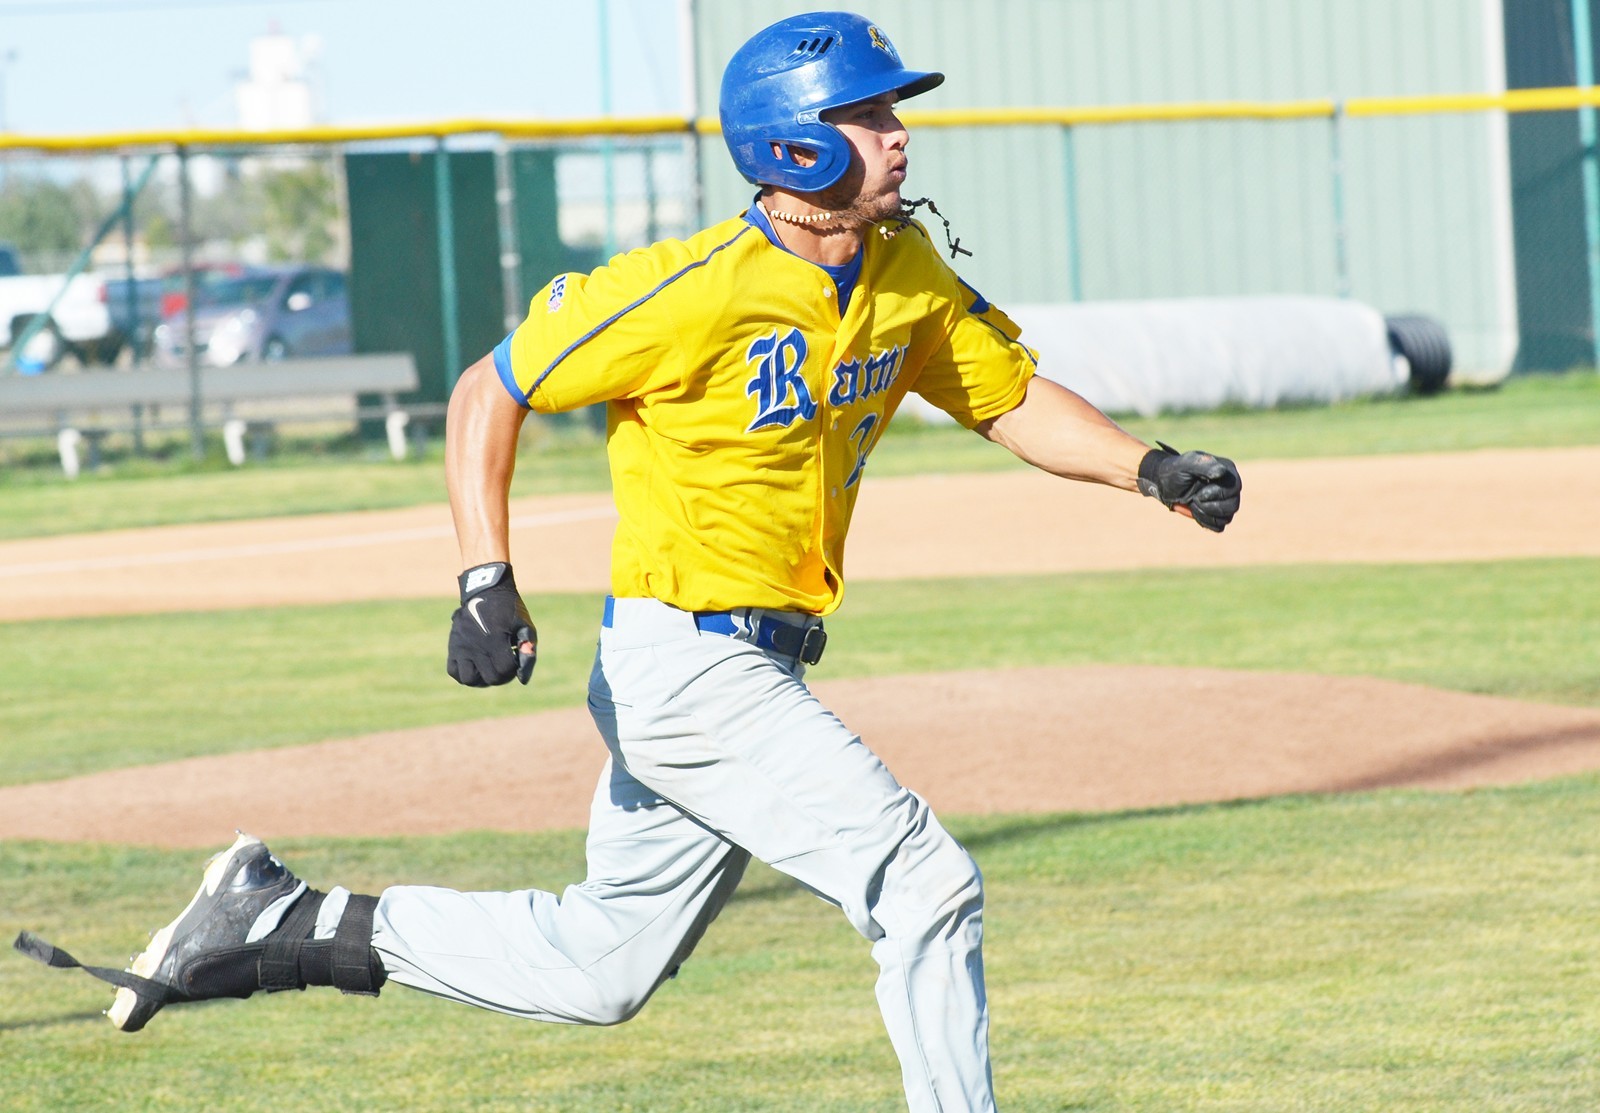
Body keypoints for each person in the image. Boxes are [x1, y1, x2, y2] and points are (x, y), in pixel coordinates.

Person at [15, 12, 1240, 1112]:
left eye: (892, 109)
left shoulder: (900, 272)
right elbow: (488, 390)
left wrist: (1148, 470)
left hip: (754, 665)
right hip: (688, 667)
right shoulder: (688, 290)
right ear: (796, 147)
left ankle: (284, 918)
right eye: (867, 115)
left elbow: (1008, 395)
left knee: (601, 968)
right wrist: (483, 578)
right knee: (922, 883)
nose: (900, 134)